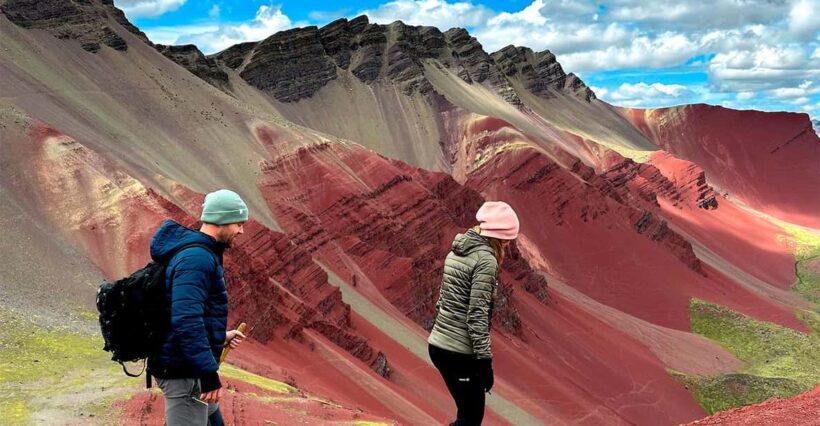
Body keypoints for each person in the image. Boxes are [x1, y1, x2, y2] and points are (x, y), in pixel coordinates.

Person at [147, 189, 249, 426]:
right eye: (238, 223)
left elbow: (189, 313)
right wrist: (207, 373)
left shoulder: (201, 253)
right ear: (222, 221)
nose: (241, 230)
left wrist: (219, 337)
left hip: (190, 364)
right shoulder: (197, 259)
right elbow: (186, 320)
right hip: (183, 371)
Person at [428, 201, 520, 426]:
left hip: (438, 345)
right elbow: (477, 317)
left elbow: (442, 302)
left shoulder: (458, 250)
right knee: (471, 417)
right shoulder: (485, 260)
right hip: (458, 352)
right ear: (499, 236)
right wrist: (484, 364)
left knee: (466, 413)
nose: (509, 244)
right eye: (508, 238)